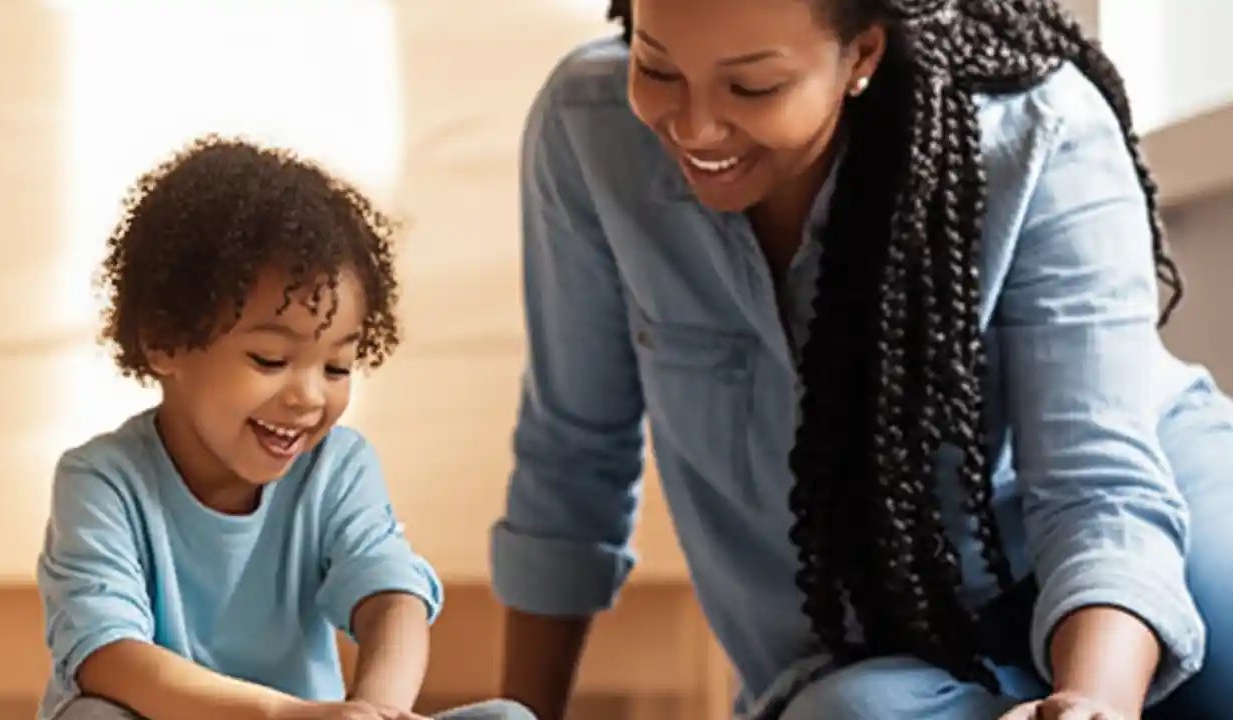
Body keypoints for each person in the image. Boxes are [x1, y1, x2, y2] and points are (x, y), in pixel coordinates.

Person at [489, 0, 1232, 718]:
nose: (694, 124)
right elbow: (572, 457)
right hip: (885, 643)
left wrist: (1095, 703)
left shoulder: (1037, 125)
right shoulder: (588, 131)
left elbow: (1098, 486)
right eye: (656, 68)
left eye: (753, 85)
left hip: (1141, 542)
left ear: (862, 53)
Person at [36, 136, 534, 720]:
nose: (309, 396)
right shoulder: (101, 481)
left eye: (337, 367)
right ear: (164, 340)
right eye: (270, 361)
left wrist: (378, 709)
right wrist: (282, 716)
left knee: (508, 719)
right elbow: (110, 658)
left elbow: (392, 598)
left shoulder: (338, 467)